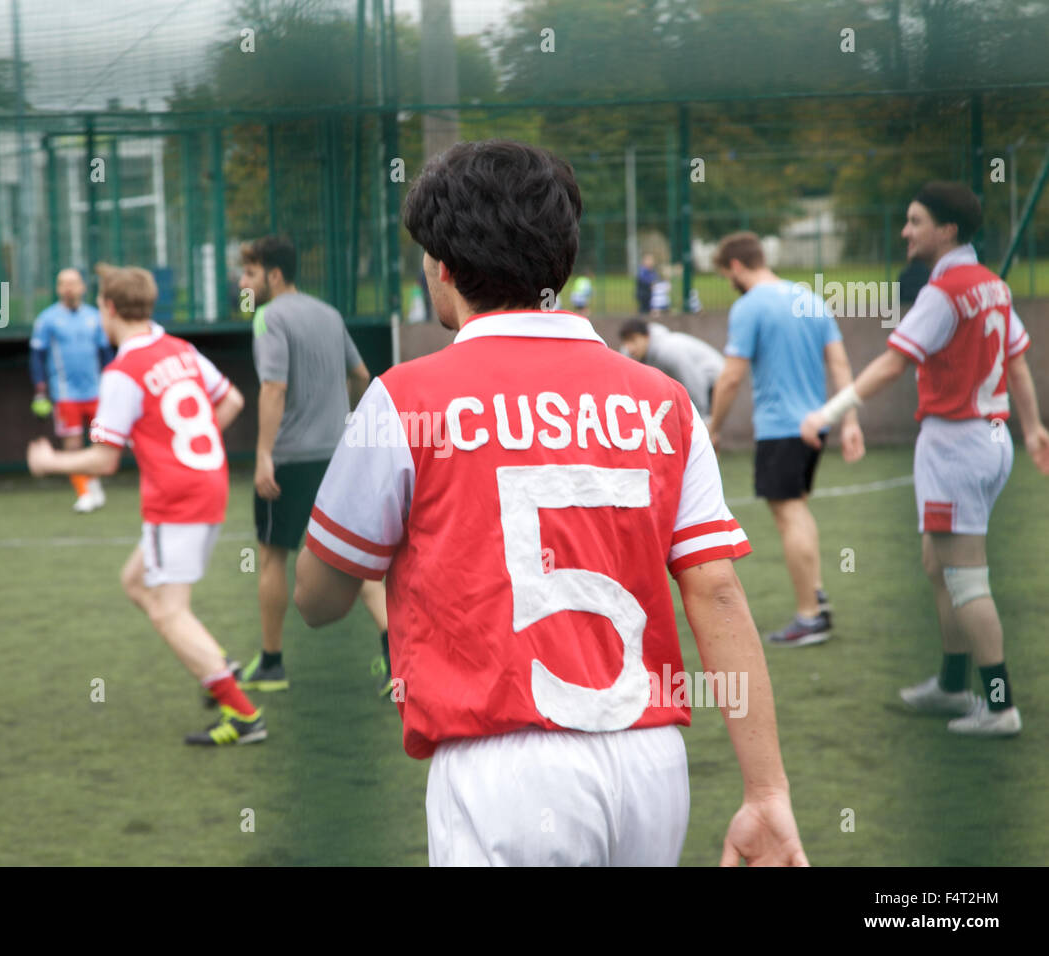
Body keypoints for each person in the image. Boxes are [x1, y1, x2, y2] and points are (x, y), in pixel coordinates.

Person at [293, 139, 807, 867]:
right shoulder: (663, 401)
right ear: (562, 258)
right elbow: (717, 592)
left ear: (443, 269)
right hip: (650, 763)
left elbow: (320, 598)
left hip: (501, 763)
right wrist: (766, 793)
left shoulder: (405, 398)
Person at [802, 182, 1049, 737]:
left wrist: (829, 412)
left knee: (965, 579)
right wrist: (1031, 429)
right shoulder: (992, 285)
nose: (906, 231)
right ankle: (953, 684)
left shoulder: (944, 292)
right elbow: (1018, 363)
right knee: (940, 567)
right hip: (990, 439)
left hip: (955, 445)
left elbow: (894, 363)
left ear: (948, 231)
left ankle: (1000, 702)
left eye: (916, 221)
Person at [26, 264, 260, 745]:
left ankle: (242, 714)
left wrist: (50, 461)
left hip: (176, 497)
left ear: (108, 309)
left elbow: (105, 459)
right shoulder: (180, 349)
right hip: (207, 484)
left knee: (170, 612)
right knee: (135, 582)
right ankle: (217, 662)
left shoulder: (123, 371)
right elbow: (233, 399)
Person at [239, 235, 389, 696]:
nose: (243, 283)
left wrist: (264, 454)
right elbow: (362, 375)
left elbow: (273, 388)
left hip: (289, 460)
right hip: (336, 457)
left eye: (249, 273)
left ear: (274, 275)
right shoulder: (328, 313)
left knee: (271, 558)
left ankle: (271, 664)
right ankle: (395, 655)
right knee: (354, 561)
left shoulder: (268, 316)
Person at [709, 232, 865, 648]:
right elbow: (840, 362)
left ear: (737, 266)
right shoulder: (810, 299)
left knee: (790, 515)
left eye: (726, 274)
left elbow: (731, 377)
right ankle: (816, 598)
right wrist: (848, 419)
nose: (729, 282)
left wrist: (714, 426)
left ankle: (809, 616)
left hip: (782, 428)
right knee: (799, 512)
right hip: (817, 424)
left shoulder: (748, 307)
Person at [29, 268, 115, 513]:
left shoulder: (95, 317)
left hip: (97, 392)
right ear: (57, 289)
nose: (68, 288)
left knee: (101, 441)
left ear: (82, 287)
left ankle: (93, 484)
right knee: (73, 443)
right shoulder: (47, 319)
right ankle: (84, 492)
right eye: (62, 284)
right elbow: (37, 356)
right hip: (65, 394)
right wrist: (40, 389)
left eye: (73, 283)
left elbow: (106, 354)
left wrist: (111, 383)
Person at [619, 318, 724, 417]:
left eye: (633, 340)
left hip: (713, 377)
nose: (630, 348)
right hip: (694, 382)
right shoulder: (629, 354)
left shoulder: (668, 351)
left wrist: (702, 420)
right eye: (626, 342)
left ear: (646, 336)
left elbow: (693, 382)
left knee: (702, 425)